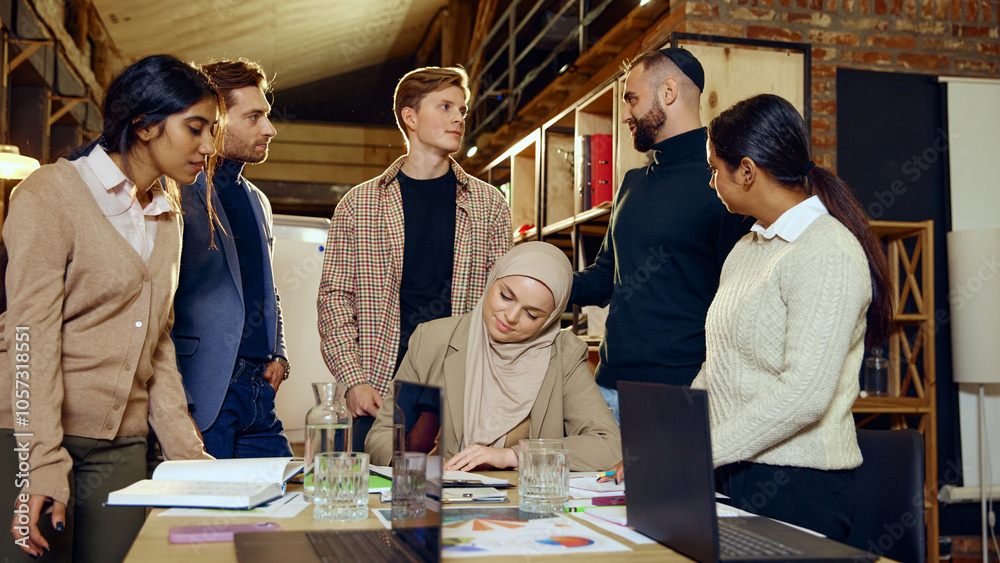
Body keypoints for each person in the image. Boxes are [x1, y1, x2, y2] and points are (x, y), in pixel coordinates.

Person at [0, 54, 219, 562]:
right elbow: (29, 334)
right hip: (28, 434)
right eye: (195, 128)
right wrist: (40, 460)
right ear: (143, 125)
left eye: (211, 131)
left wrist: (187, 454)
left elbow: (157, 343)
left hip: (122, 443)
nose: (208, 146)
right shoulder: (50, 195)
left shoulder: (168, 214)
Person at [690, 93, 892, 540]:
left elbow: (804, 394)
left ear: (746, 171)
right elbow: (718, 368)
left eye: (714, 169)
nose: (712, 182)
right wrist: (672, 442)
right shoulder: (747, 249)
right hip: (730, 469)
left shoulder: (827, 250)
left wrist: (698, 451)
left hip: (796, 486)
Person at [318, 66, 511, 450]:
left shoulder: (489, 204)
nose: (459, 118)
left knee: (453, 489)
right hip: (378, 386)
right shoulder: (359, 205)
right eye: (445, 107)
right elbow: (334, 301)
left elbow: (503, 301)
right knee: (367, 486)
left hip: (458, 390)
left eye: (462, 109)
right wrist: (353, 381)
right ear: (410, 116)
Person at [569, 48, 749, 425]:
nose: (625, 115)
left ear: (668, 92)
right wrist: (541, 283)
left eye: (631, 99)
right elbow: (606, 276)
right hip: (606, 387)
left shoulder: (722, 184)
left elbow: (739, 303)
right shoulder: (632, 183)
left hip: (680, 394)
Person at [366, 242, 621, 472]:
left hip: (522, 501)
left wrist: (514, 456)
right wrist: (413, 463)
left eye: (532, 314)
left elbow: (608, 445)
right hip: (440, 498)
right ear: (492, 280)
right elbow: (382, 435)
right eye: (506, 296)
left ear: (551, 319)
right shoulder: (432, 341)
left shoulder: (564, 355)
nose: (511, 316)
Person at [172, 59, 293, 459]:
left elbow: (267, 286)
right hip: (204, 392)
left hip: (259, 390)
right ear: (216, 119)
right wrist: (178, 403)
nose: (269, 129)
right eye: (254, 117)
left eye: (267, 116)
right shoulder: (177, 192)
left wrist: (280, 353)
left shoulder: (257, 200)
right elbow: (158, 303)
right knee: (210, 504)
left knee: (280, 495)